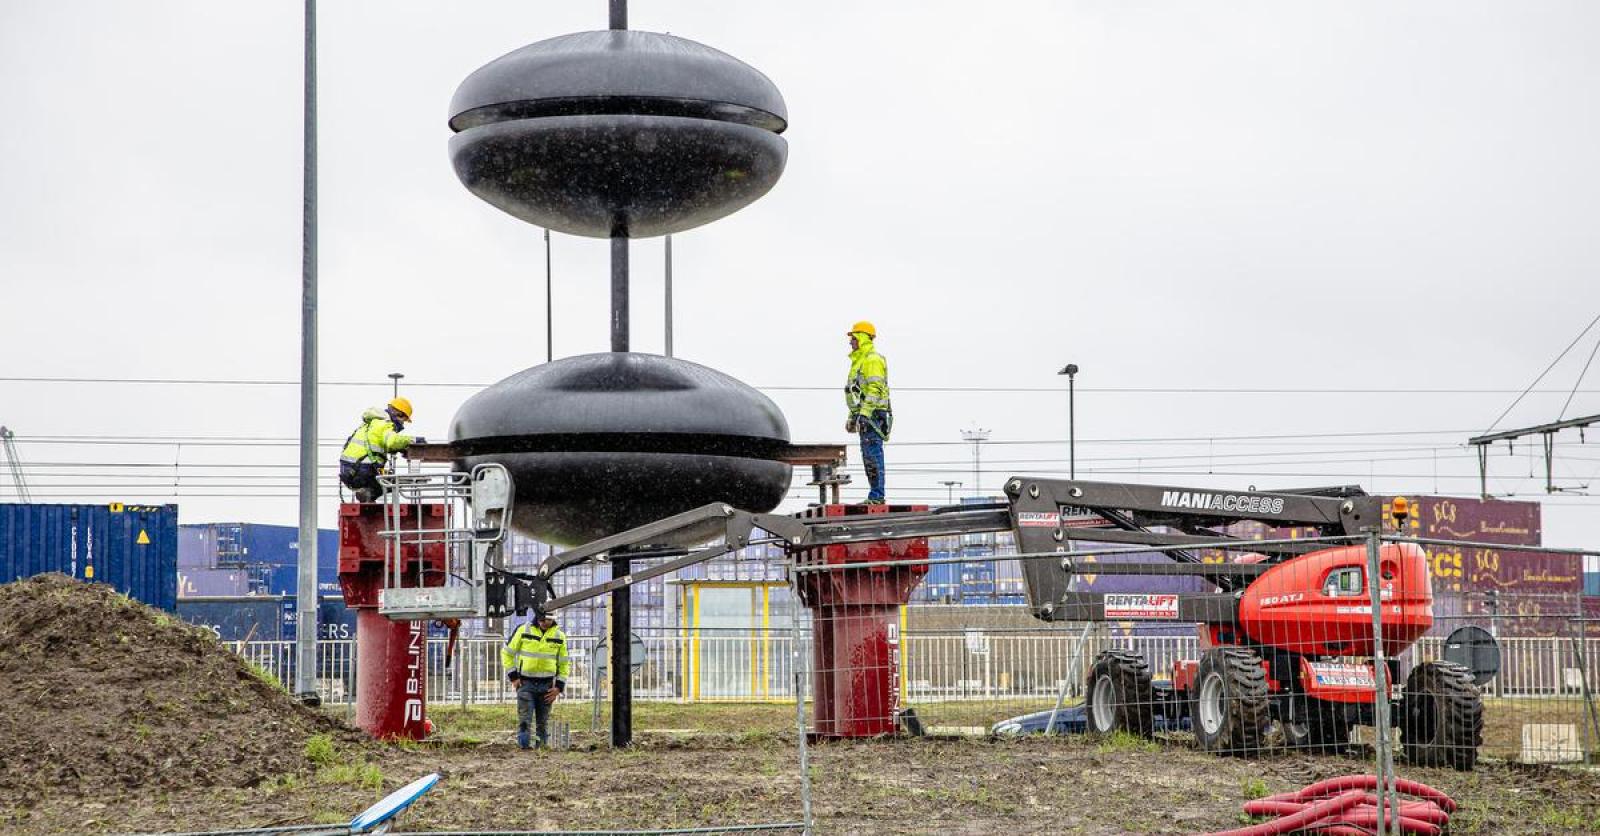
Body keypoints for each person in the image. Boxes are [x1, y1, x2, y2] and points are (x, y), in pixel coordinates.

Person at [501, 613, 569, 750]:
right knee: (525, 720)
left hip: (547, 687)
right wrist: (513, 677)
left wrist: (558, 687)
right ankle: (524, 749)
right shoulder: (524, 630)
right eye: (542, 619)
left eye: (547, 619)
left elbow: (564, 664)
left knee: (542, 723)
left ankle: (541, 749)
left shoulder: (559, 636)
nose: (544, 622)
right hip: (525, 684)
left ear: (553, 618)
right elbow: (507, 653)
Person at [844, 321, 893, 504]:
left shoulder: (872, 360)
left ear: (862, 337)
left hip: (873, 416)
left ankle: (877, 496)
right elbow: (856, 393)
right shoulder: (859, 361)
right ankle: (875, 495)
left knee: (872, 455)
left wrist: (864, 414)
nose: (851, 342)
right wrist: (853, 416)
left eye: (853, 338)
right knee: (868, 456)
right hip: (866, 415)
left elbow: (875, 389)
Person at [338, 397, 422, 502]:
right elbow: (392, 442)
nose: (402, 424)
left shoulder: (371, 423)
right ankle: (367, 494)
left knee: (385, 483)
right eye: (403, 420)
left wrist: (399, 448)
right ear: (399, 414)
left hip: (348, 472)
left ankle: (367, 495)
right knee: (391, 484)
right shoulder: (385, 424)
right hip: (362, 471)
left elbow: (378, 444)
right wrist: (413, 440)